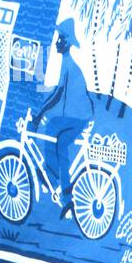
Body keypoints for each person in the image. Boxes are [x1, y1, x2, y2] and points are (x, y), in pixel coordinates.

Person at [33, 18, 94, 219]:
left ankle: (67, 197)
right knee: (52, 126)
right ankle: (51, 173)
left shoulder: (69, 64)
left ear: (66, 42)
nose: (57, 42)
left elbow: (58, 94)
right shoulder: (66, 63)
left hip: (80, 118)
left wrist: (41, 112)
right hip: (73, 115)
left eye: (60, 39)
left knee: (61, 144)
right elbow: (58, 93)